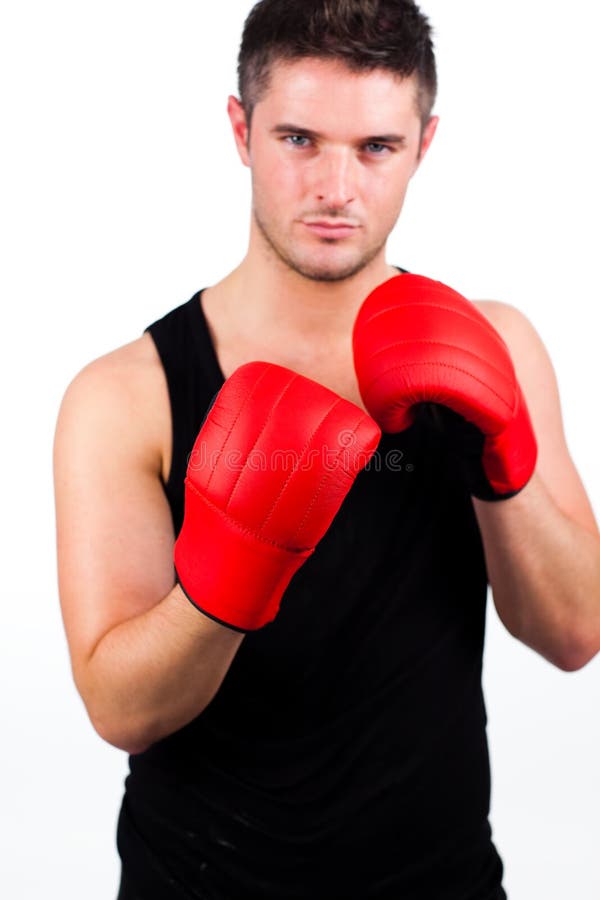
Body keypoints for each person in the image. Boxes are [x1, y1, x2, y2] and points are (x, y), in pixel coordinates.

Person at [53, 1, 600, 897]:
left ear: (423, 145)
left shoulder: (493, 344)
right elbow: (121, 708)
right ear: (241, 129)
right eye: (300, 138)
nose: (336, 188)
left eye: (376, 147)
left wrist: (503, 467)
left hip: (443, 881)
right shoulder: (127, 395)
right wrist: (227, 577)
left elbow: (578, 631)